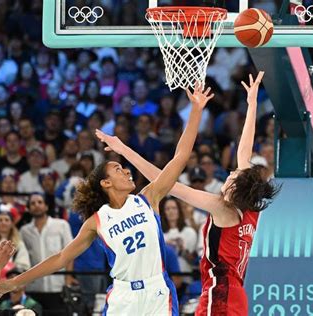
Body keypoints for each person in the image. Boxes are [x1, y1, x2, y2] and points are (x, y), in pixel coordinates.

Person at [0, 83, 213, 316]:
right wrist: (14, 283)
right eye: (118, 169)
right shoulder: (97, 221)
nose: (127, 172)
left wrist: (196, 111)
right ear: (105, 183)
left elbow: (180, 158)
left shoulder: (148, 198)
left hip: (157, 291)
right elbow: (60, 259)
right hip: (122, 296)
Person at [95, 72, 280, 315]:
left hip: (220, 292)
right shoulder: (249, 207)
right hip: (235, 293)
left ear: (234, 189)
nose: (230, 175)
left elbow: (165, 182)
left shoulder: (221, 206)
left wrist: (123, 150)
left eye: (232, 176)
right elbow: (245, 151)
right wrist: (252, 103)